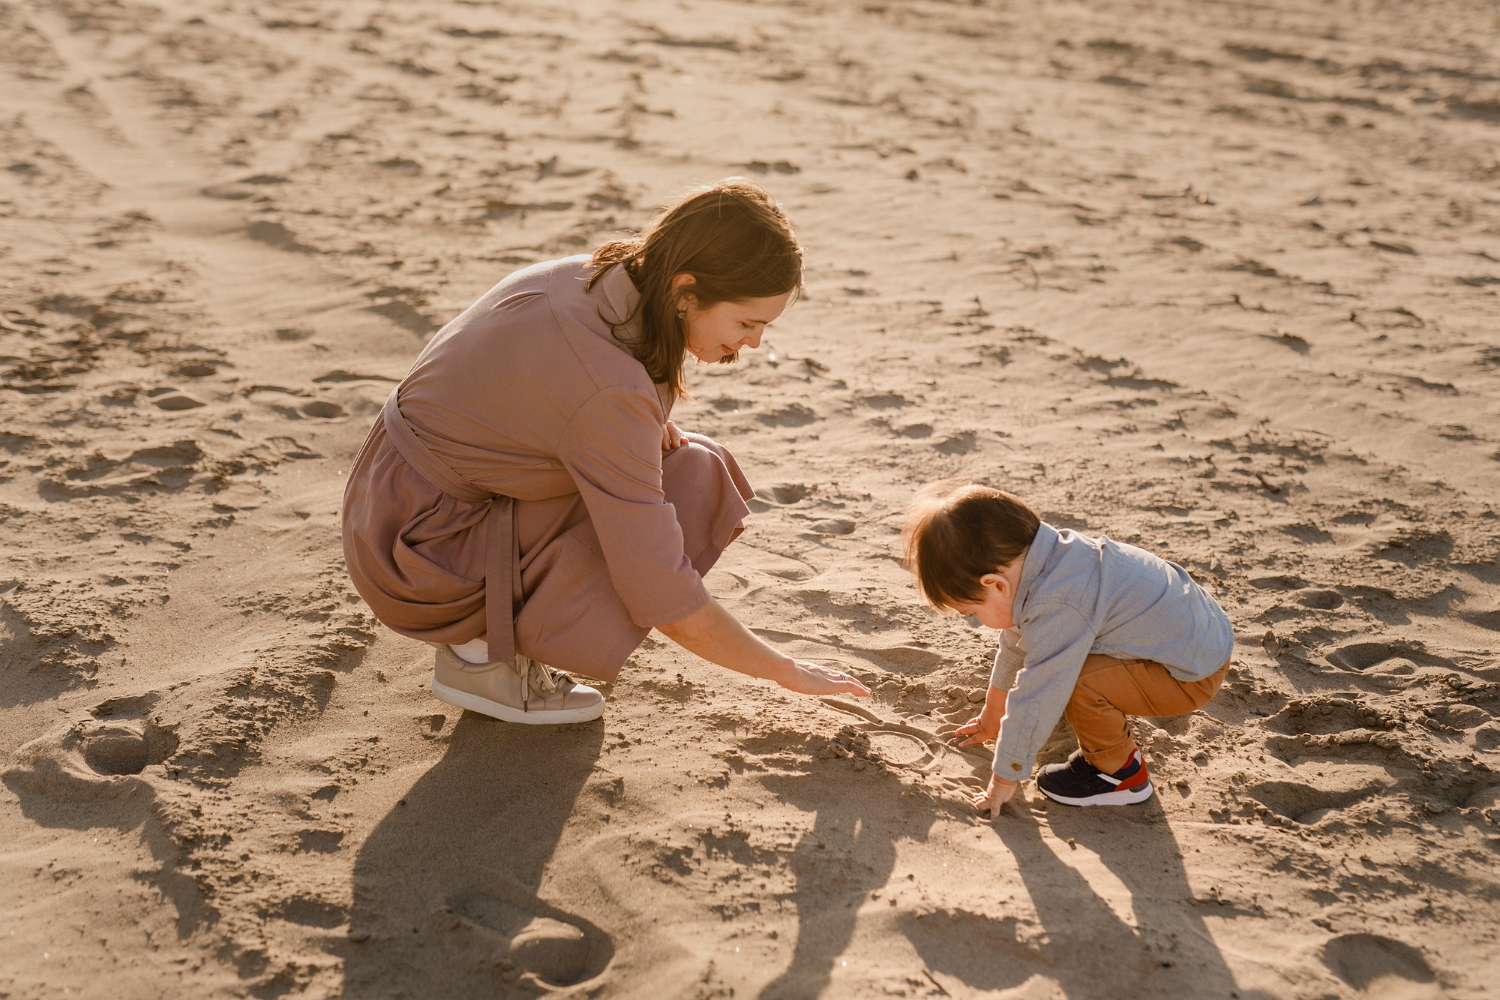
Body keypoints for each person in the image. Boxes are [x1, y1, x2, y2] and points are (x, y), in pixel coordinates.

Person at [342, 179, 870, 725]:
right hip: (418, 555)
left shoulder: (596, 276)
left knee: (692, 463)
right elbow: (662, 592)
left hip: (392, 496)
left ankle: (494, 634)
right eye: (746, 323)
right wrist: (784, 670)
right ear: (686, 290)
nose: (755, 343)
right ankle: (480, 658)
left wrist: (635, 426)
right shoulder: (610, 389)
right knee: (686, 489)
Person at [900, 481, 1234, 814]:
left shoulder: (1059, 602)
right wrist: (993, 713)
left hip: (1189, 672)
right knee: (1064, 656)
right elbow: (1017, 640)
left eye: (972, 612)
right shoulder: (1053, 562)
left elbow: (1040, 690)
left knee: (1073, 679)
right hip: (1198, 635)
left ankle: (1120, 775)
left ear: (995, 584)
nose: (975, 619)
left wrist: (1005, 777)